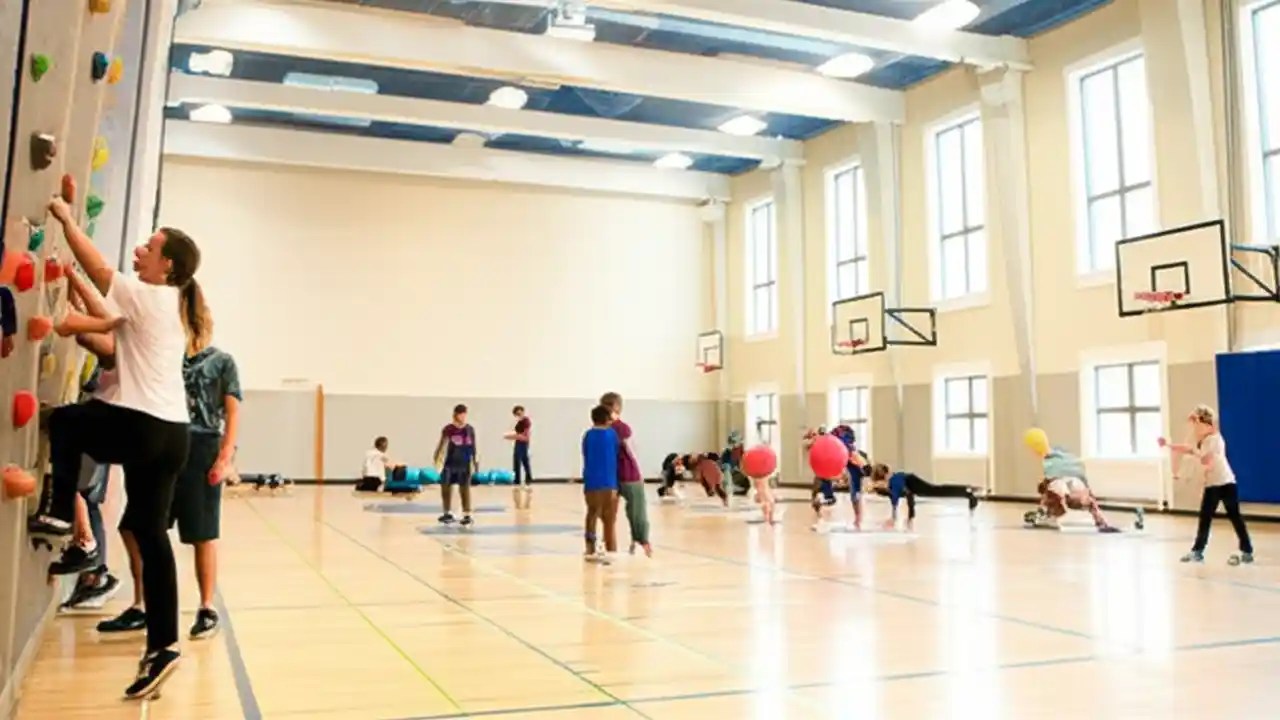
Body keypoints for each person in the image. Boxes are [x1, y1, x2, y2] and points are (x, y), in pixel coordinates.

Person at [29, 193, 200, 699]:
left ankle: (62, 515)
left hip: (143, 425)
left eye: (150, 247)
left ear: (167, 266)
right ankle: (163, 645)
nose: (140, 250)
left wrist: (65, 219)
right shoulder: (166, 305)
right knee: (150, 534)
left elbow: (100, 269)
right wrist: (70, 280)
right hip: (174, 436)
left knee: (67, 422)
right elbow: (105, 322)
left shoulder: (151, 295)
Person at [95, 284, 241, 644]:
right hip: (161, 437)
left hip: (201, 446)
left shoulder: (221, 361)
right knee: (136, 525)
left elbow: (232, 410)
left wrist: (225, 456)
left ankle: (206, 607)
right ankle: (143, 604)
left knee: (202, 532)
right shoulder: (163, 354)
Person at [1161, 405, 1254, 565]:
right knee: (1205, 518)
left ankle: (1247, 551)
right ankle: (1197, 551)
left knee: (1235, 516)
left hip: (1226, 483)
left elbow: (1208, 460)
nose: (1195, 428)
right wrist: (1169, 446)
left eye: (1198, 424)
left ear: (1206, 424)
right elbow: (1188, 449)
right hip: (1212, 485)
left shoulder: (1215, 439)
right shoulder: (1202, 441)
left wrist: (1201, 467)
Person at [1022, 428, 1141, 533]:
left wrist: (1043, 501)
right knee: (1057, 488)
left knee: (1050, 487)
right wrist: (1099, 517)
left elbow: (1050, 486)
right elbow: (1082, 478)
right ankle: (1053, 514)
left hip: (1067, 494)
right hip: (1080, 490)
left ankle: (1052, 516)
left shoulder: (1049, 463)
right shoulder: (1064, 456)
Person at [601, 392, 650, 557]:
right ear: (618, 408)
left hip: (611, 477)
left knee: (610, 515)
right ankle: (641, 542)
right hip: (629, 475)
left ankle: (609, 546)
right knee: (637, 511)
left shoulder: (600, 429)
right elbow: (633, 451)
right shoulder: (622, 428)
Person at [868, 463, 979, 531]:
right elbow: (895, 498)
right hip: (912, 484)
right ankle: (967, 491)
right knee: (939, 490)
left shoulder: (895, 481)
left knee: (938, 491)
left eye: (879, 482)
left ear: (885, 476)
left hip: (915, 484)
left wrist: (908, 517)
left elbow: (906, 496)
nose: (880, 484)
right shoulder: (892, 482)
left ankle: (967, 490)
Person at [581, 404, 619, 564]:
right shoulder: (612, 434)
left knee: (592, 514)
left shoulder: (588, 435)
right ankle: (610, 548)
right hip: (610, 482)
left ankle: (590, 547)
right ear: (607, 418)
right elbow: (617, 452)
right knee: (609, 518)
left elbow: (585, 453)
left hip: (591, 482)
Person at [433, 404, 478, 526]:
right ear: (455, 415)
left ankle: (467, 514)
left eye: (464, 414)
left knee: (464, 489)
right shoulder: (448, 429)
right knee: (446, 487)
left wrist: (475, 462)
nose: (463, 417)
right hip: (450, 463)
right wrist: (437, 458)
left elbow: (474, 447)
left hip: (465, 464)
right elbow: (442, 445)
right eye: (460, 414)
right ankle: (447, 512)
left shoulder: (469, 429)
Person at [505, 405, 533, 486]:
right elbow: (518, 434)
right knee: (521, 460)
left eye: (519, 413)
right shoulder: (519, 422)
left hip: (523, 443)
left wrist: (512, 436)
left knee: (522, 460)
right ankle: (520, 479)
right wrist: (514, 436)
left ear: (523, 412)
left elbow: (524, 435)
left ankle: (524, 479)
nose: (518, 415)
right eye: (516, 414)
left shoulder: (526, 421)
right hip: (519, 442)